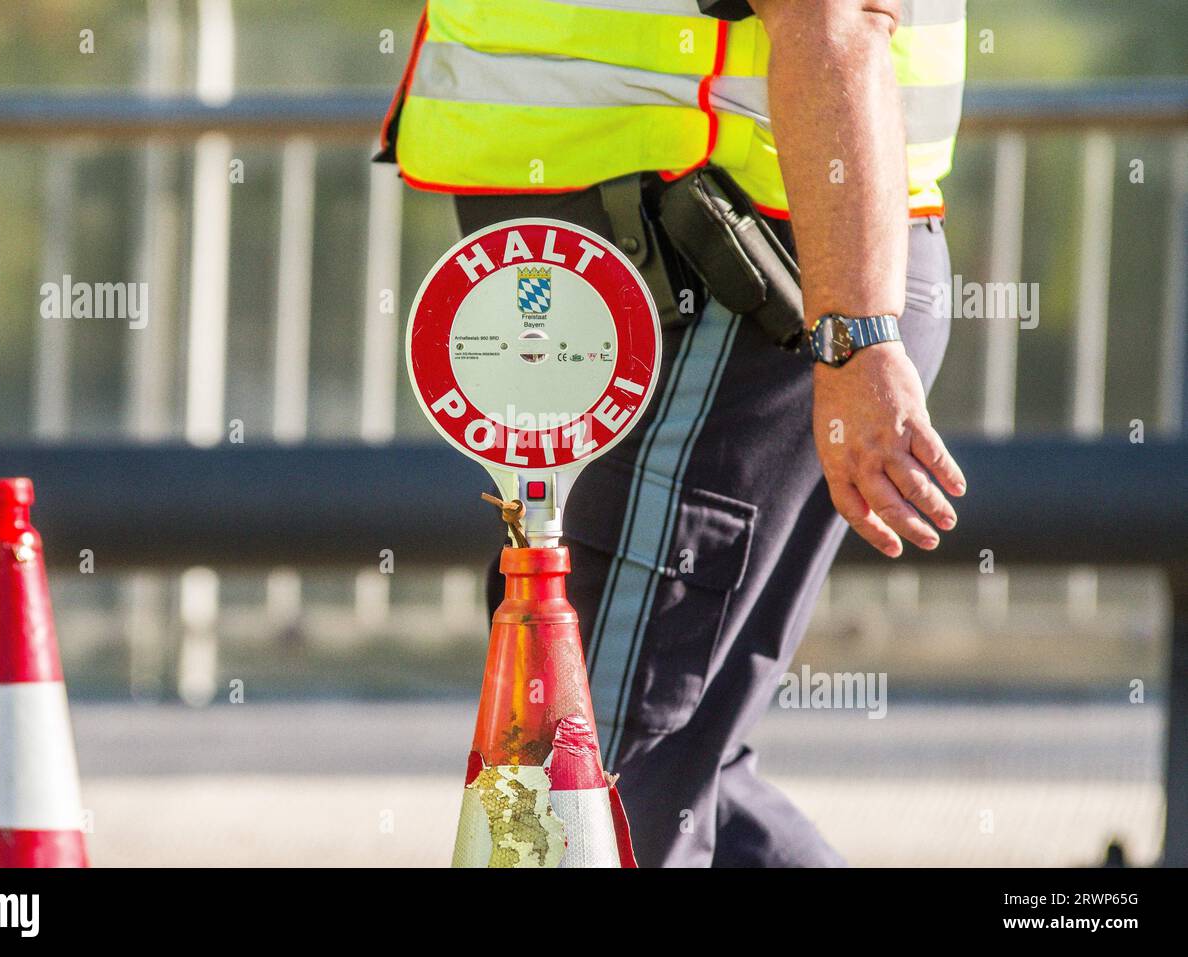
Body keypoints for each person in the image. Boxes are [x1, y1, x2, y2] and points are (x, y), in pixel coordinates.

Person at [381, 0, 967, 866]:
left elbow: (829, 23)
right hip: (704, 285)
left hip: (734, 281)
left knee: (579, 772)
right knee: (687, 777)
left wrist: (852, 337)